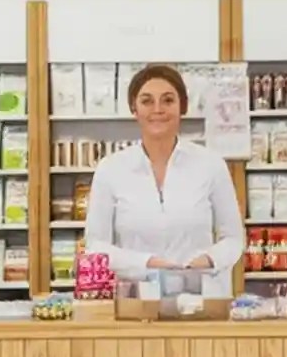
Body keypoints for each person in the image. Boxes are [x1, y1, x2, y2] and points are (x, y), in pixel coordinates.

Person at [84, 64, 243, 293]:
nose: (157, 109)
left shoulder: (211, 165)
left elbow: (233, 239)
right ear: (134, 109)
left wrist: (207, 260)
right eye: (147, 101)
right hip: (136, 300)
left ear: (182, 108)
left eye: (168, 100)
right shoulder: (111, 169)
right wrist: (147, 263)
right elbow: (96, 246)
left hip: (201, 300)